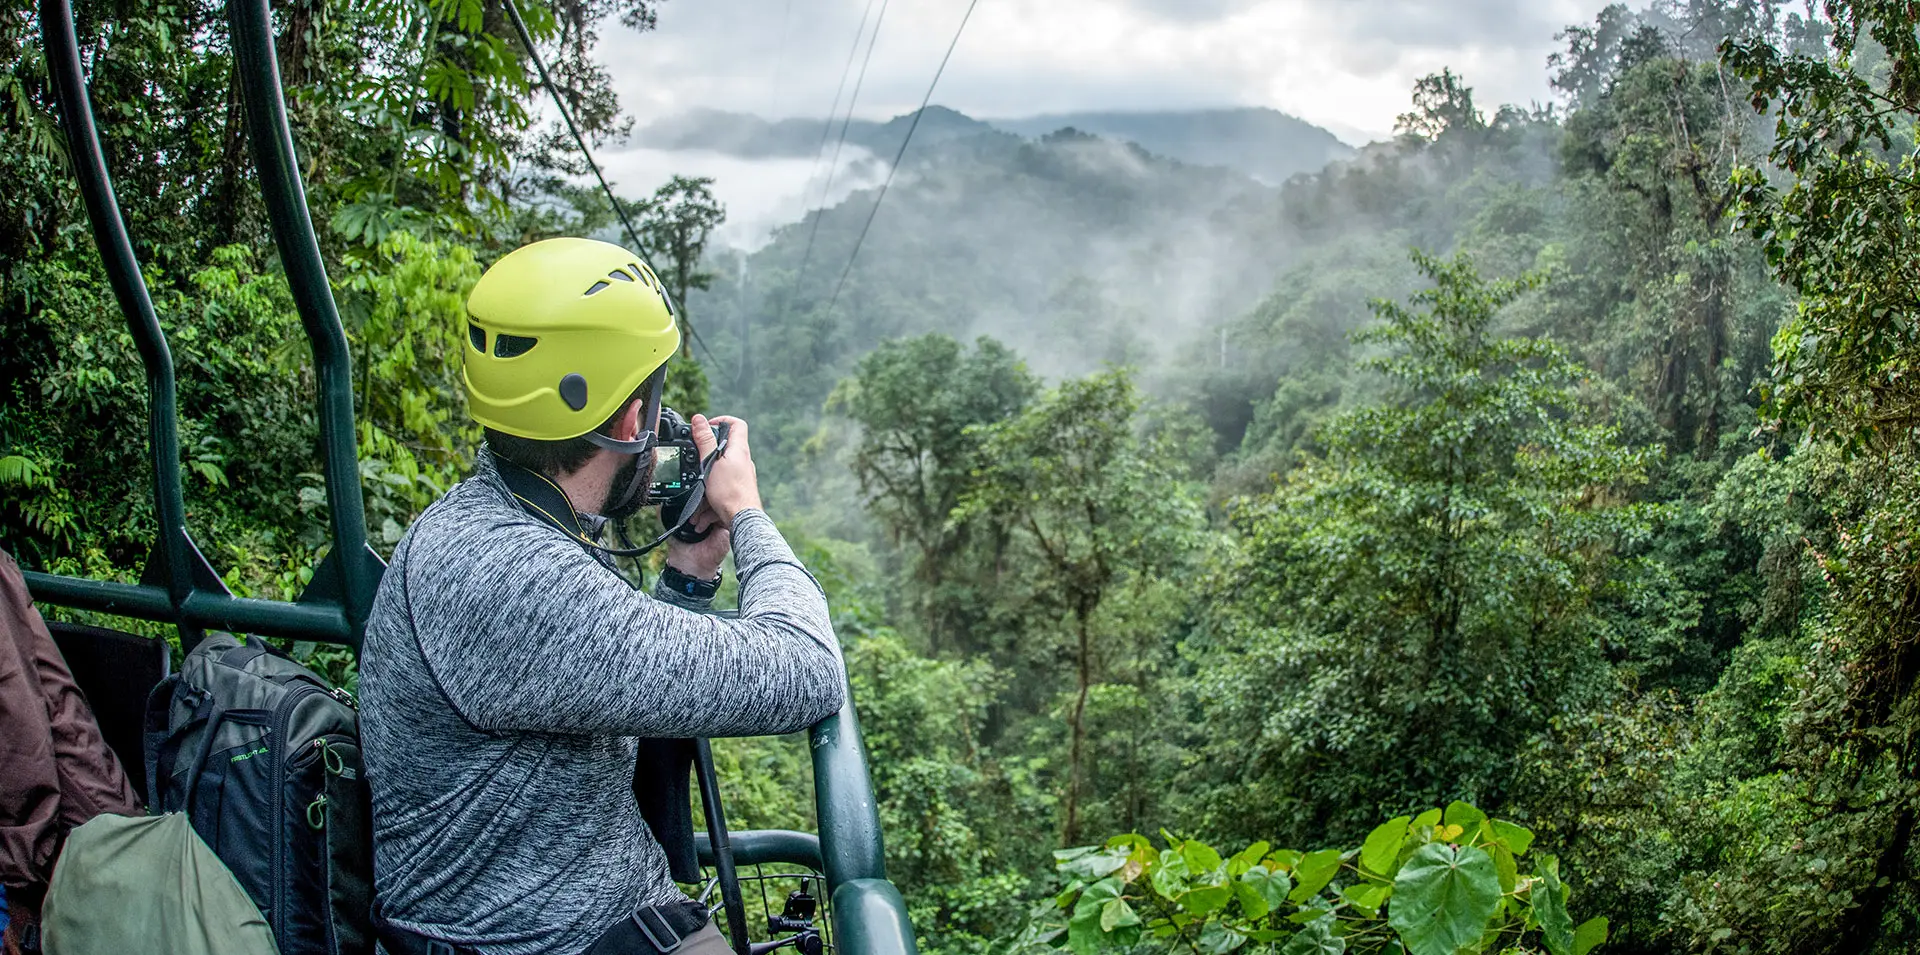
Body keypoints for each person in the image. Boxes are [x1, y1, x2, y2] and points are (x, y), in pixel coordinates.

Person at [359, 237, 845, 955]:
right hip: (556, 939)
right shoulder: (515, 577)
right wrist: (746, 511)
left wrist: (688, 572)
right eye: (653, 403)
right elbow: (807, 666)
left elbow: (615, 666)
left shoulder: (488, 519)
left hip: (557, 918)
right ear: (627, 424)